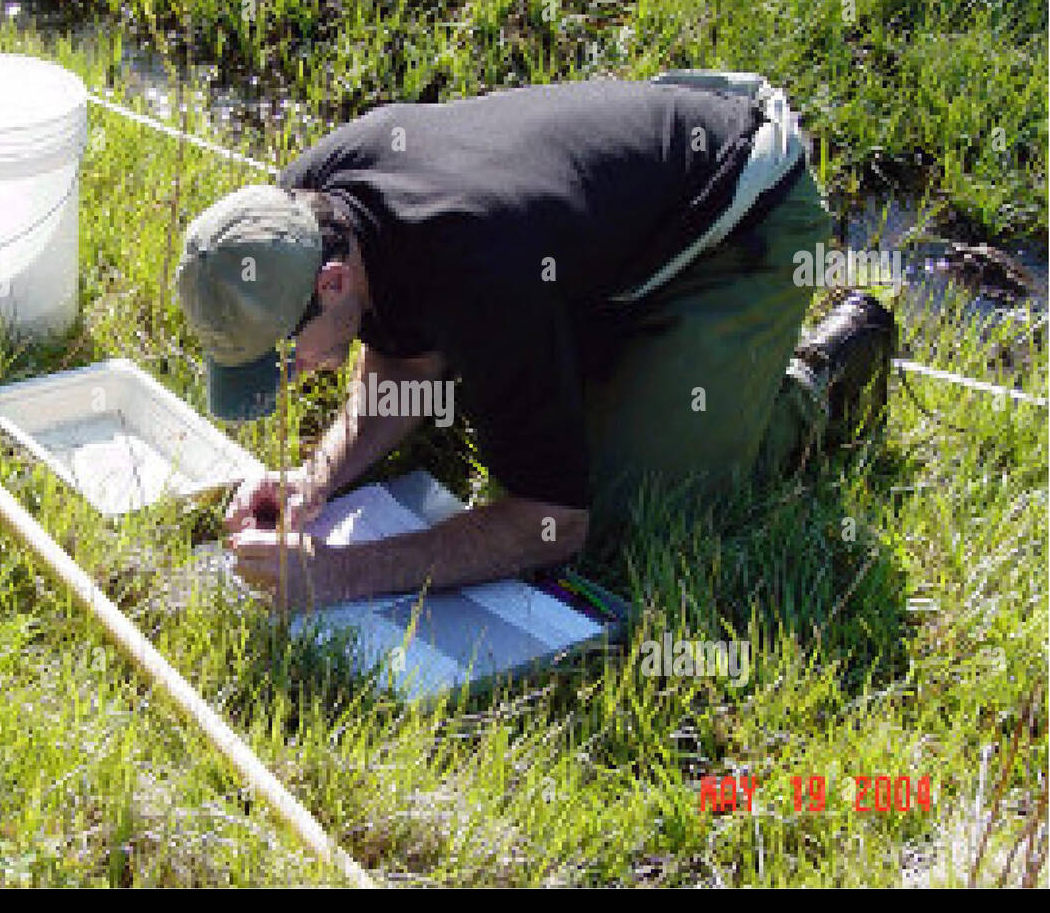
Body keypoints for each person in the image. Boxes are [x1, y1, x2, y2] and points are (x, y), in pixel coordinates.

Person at [174, 72, 896, 610]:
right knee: (496, 378)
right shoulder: (301, 211)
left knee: (631, 504)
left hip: (743, 217)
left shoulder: (477, 264)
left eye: (286, 353)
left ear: (329, 282)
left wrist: (336, 574)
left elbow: (552, 523)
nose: (296, 373)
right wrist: (317, 478)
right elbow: (405, 349)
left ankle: (819, 376)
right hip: (599, 228)